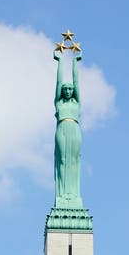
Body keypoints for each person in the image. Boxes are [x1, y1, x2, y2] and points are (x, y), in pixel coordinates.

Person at [53, 51, 82, 207]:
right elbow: (58, 83)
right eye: (66, 89)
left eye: (70, 89)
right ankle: (63, 194)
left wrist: (75, 63)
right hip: (62, 129)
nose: (68, 90)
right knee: (63, 160)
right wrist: (60, 62)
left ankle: (74, 194)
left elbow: (76, 81)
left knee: (74, 161)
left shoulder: (76, 103)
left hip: (74, 129)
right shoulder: (59, 103)